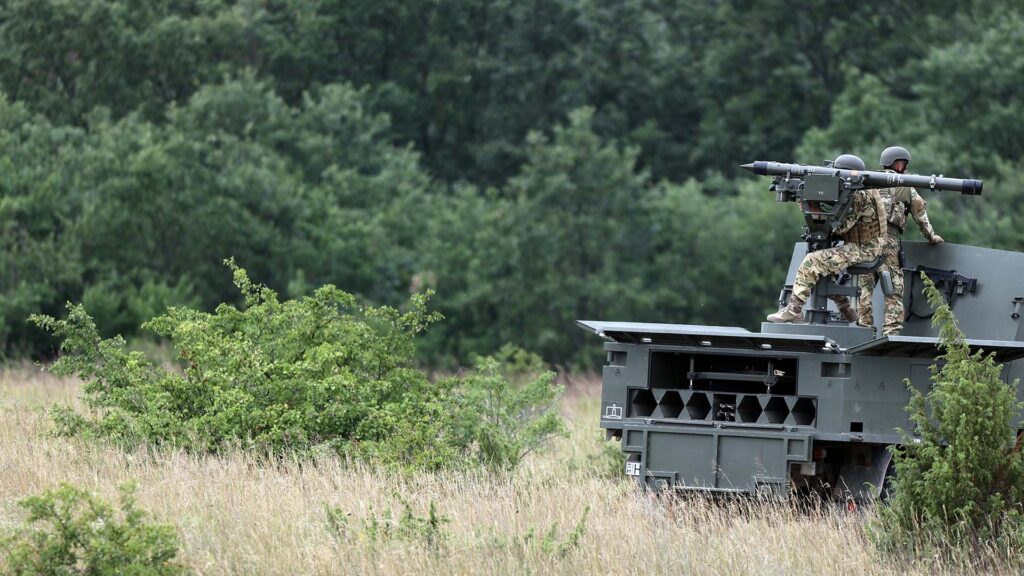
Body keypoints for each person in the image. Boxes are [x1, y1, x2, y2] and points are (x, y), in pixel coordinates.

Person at [767, 154, 886, 323]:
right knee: (823, 265)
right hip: (864, 246)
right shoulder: (863, 190)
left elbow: (839, 228)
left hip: (865, 249)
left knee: (812, 261)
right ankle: (847, 310)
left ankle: (794, 310)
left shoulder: (861, 195)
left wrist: (814, 210)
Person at [856, 146, 943, 335]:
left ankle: (863, 330)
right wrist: (931, 236)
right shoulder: (904, 184)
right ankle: (891, 332)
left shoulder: (869, 181)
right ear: (899, 164)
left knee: (865, 288)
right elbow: (920, 214)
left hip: (864, 241)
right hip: (888, 240)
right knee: (894, 288)